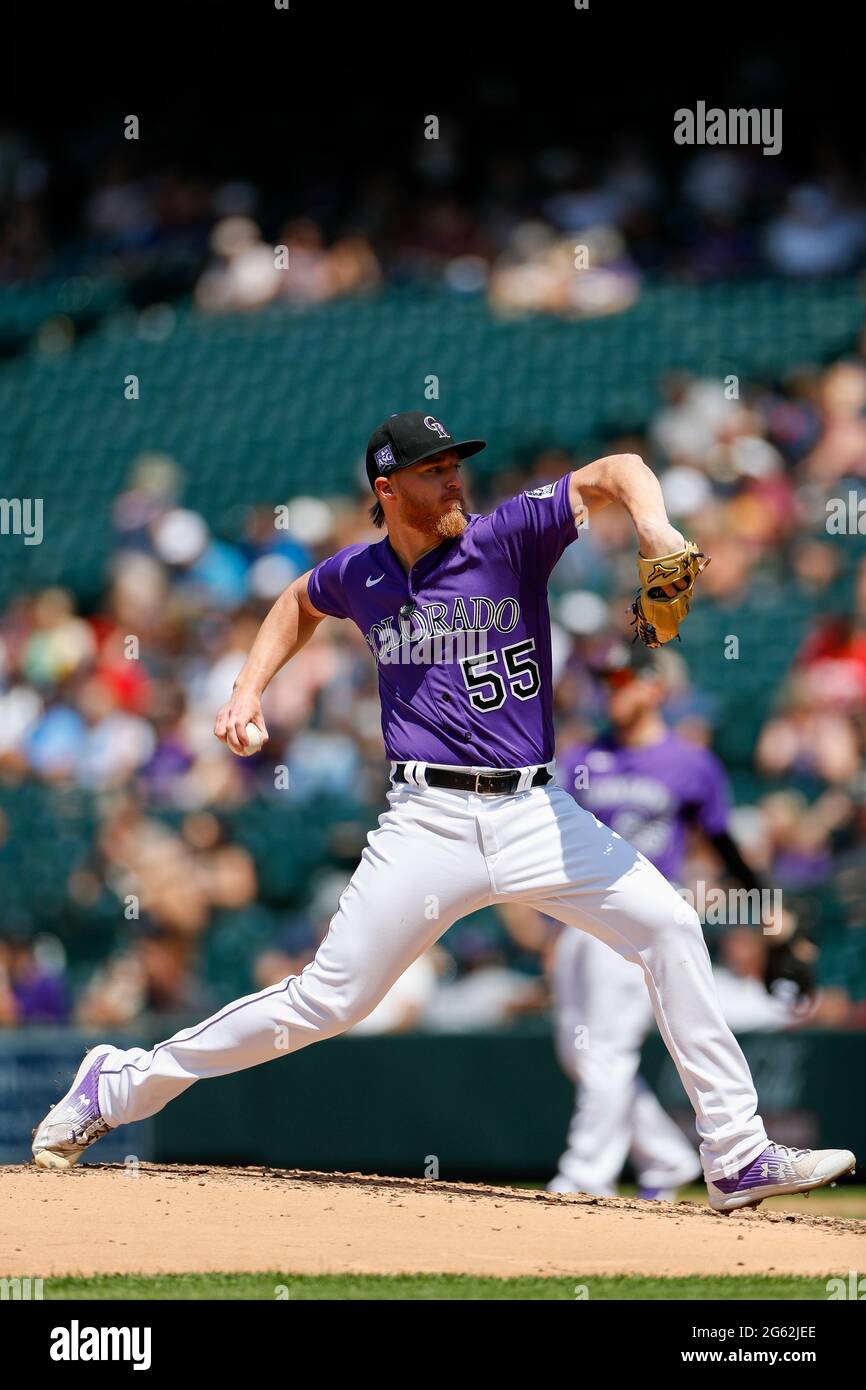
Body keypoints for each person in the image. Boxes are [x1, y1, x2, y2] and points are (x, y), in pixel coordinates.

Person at [32, 411, 856, 1213]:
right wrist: (248, 688)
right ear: (389, 489)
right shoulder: (362, 574)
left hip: (538, 813)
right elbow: (297, 602)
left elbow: (616, 471)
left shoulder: (507, 537)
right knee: (329, 1002)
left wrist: (656, 529)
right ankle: (121, 1083)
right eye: (436, 470)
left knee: (670, 928)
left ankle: (736, 1151)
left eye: (455, 464)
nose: (455, 478)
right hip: (427, 821)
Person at [548, 641, 798, 1200]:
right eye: (605, 682)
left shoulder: (689, 762)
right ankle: (664, 1158)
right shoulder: (584, 759)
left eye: (622, 681)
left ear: (655, 687)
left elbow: (721, 840)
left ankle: (585, 1175)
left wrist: (762, 900)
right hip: (578, 919)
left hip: (638, 914)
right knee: (579, 1051)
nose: (611, 691)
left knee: (606, 1049)